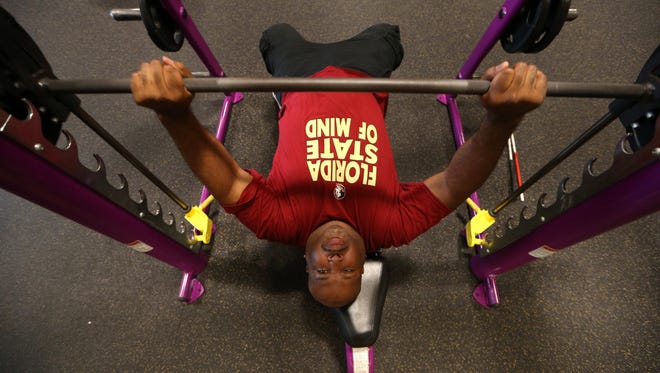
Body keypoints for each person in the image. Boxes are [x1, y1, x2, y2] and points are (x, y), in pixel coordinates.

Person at [130, 23, 547, 308]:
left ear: (304, 262)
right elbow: (457, 184)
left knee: (274, 35)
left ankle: (278, 79)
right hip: (365, 75)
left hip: (297, 77)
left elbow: (224, 177)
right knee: (388, 34)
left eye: (322, 270)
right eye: (347, 270)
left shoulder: (278, 223)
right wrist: (503, 119)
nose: (334, 260)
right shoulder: (390, 227)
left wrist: (175, 116)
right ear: (364, 257)